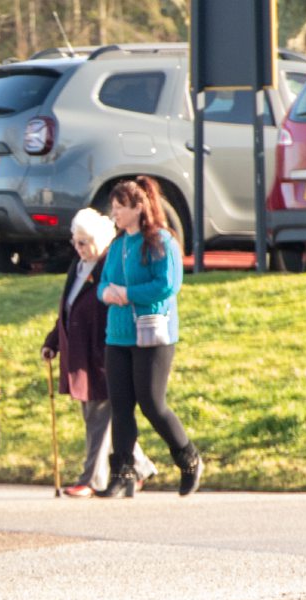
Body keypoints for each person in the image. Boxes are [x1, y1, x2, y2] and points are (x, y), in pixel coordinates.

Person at [96, 176, 203, 498]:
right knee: (121, 406)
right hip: (118, 335)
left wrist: (128, 293)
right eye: (113, 207)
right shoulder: (116, 245)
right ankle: (123, 474)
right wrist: (107, 294)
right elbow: (101, 283)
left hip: (153, 334)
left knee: (152, 403)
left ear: (138, 207)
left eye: (119, 207)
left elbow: (167, 285)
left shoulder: (162, 242)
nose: (114, 212)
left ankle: (188, 458)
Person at [40, 208, 156, 497]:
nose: (79, 249)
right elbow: (67, 309)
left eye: (84, 243)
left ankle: (92, 479)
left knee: (98, 417)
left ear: (102, 241)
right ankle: (140, 466)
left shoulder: (109, 266)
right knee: (104, 417)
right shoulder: (78, 267)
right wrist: (52, 341)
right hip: (77, 354)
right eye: (75, 242)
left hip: (102, 354)